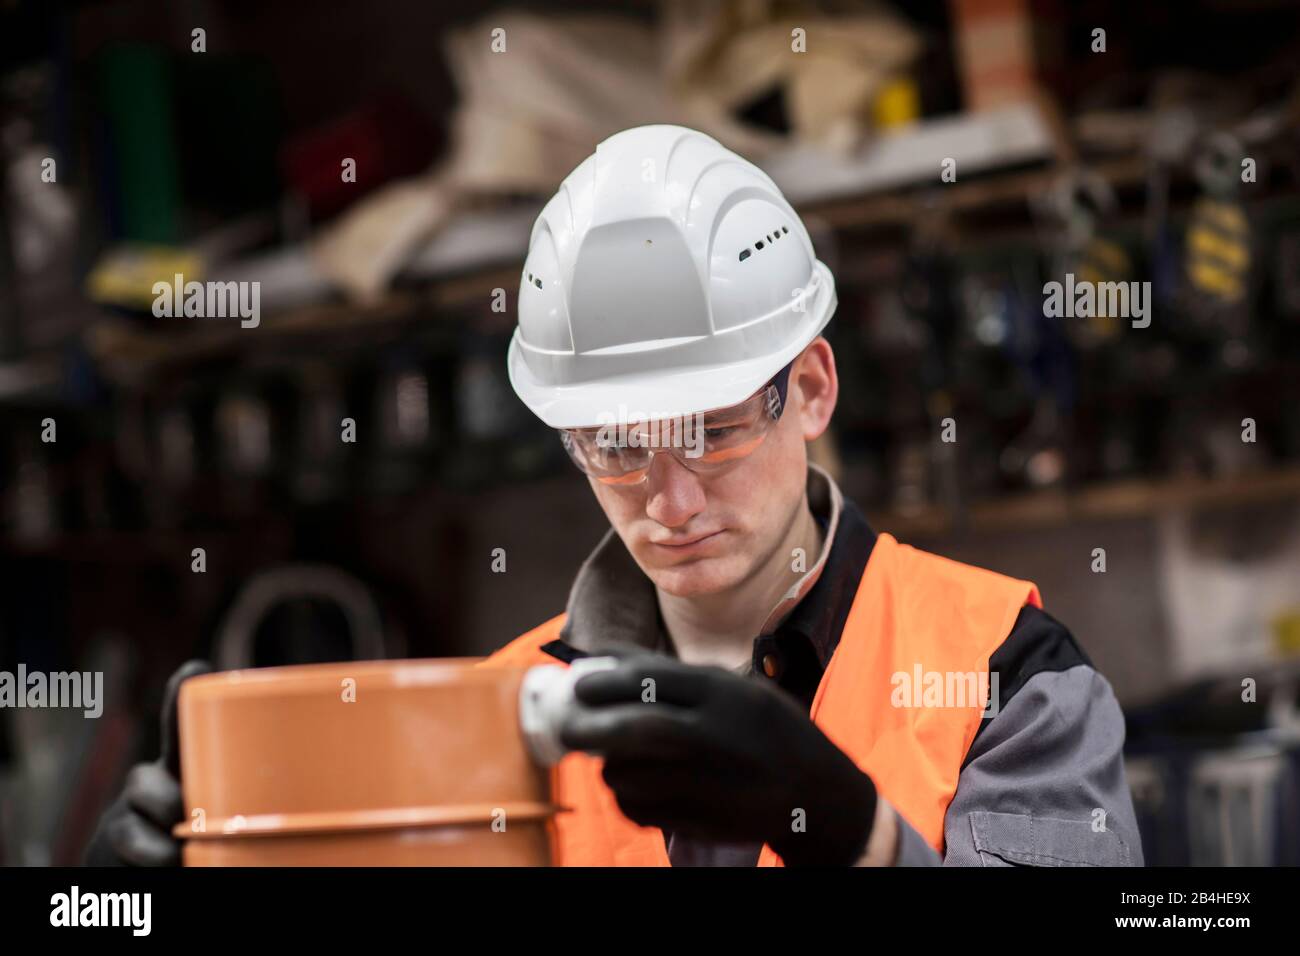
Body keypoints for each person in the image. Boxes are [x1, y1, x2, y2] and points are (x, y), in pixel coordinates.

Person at [87, 125, 1142, 868]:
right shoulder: (496, 714)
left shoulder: (1001, 668)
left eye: (714, 432)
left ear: (810, 387)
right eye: (613, 447)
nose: (668, 498)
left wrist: (854, 838)